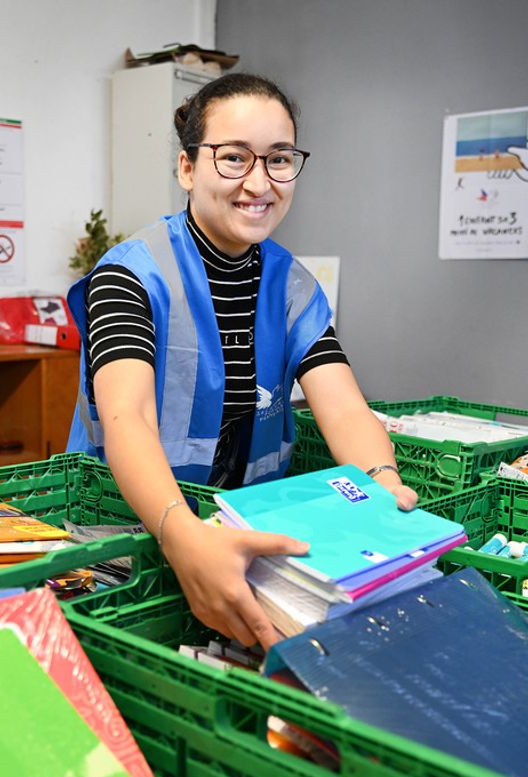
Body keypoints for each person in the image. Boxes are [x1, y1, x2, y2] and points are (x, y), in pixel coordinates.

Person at [67, 73, 417, 650]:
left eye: (279, 159)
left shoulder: (293, 287)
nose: (259, 182)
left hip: (240, 540)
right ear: (187, 168)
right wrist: (179, 533)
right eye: (233, 158)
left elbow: (346, 409)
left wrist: (384, 484)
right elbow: (129, 417)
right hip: (124, 542)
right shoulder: (131, 277)